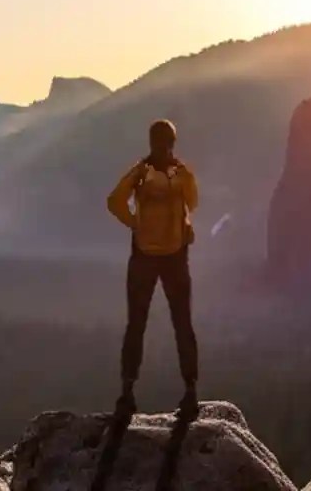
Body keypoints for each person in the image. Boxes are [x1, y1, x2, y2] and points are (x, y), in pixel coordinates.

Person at [106, 119, 200, 417]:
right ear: (172, 142)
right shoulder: (181, 173)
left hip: (144, 255)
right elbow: (193, 202)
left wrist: (136, 223)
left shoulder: (140, 172)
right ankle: (190, 391)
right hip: (175, 256)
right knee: (182, 323)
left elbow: (115, 201)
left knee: (137, 324)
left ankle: (127, 392)